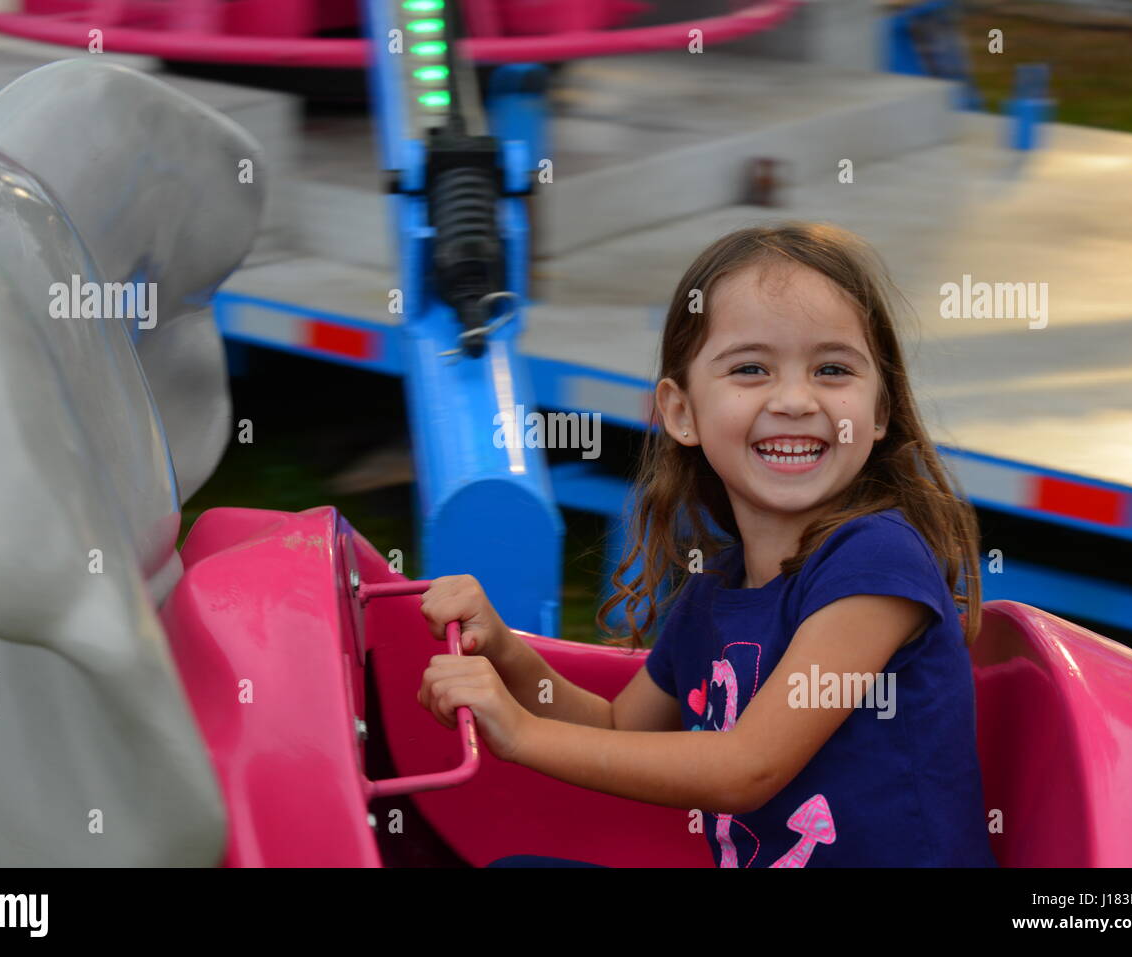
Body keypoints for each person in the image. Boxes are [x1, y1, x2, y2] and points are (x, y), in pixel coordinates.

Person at [417, 222, 998, 868]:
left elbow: (748, 767)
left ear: (880, 410)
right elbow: (614, 729)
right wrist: (504, 651)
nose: (796, 399)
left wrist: (522, 735)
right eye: (751, 368)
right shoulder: (711, 594)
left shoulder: (876, 564)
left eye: (832, 369)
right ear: (681, 411)